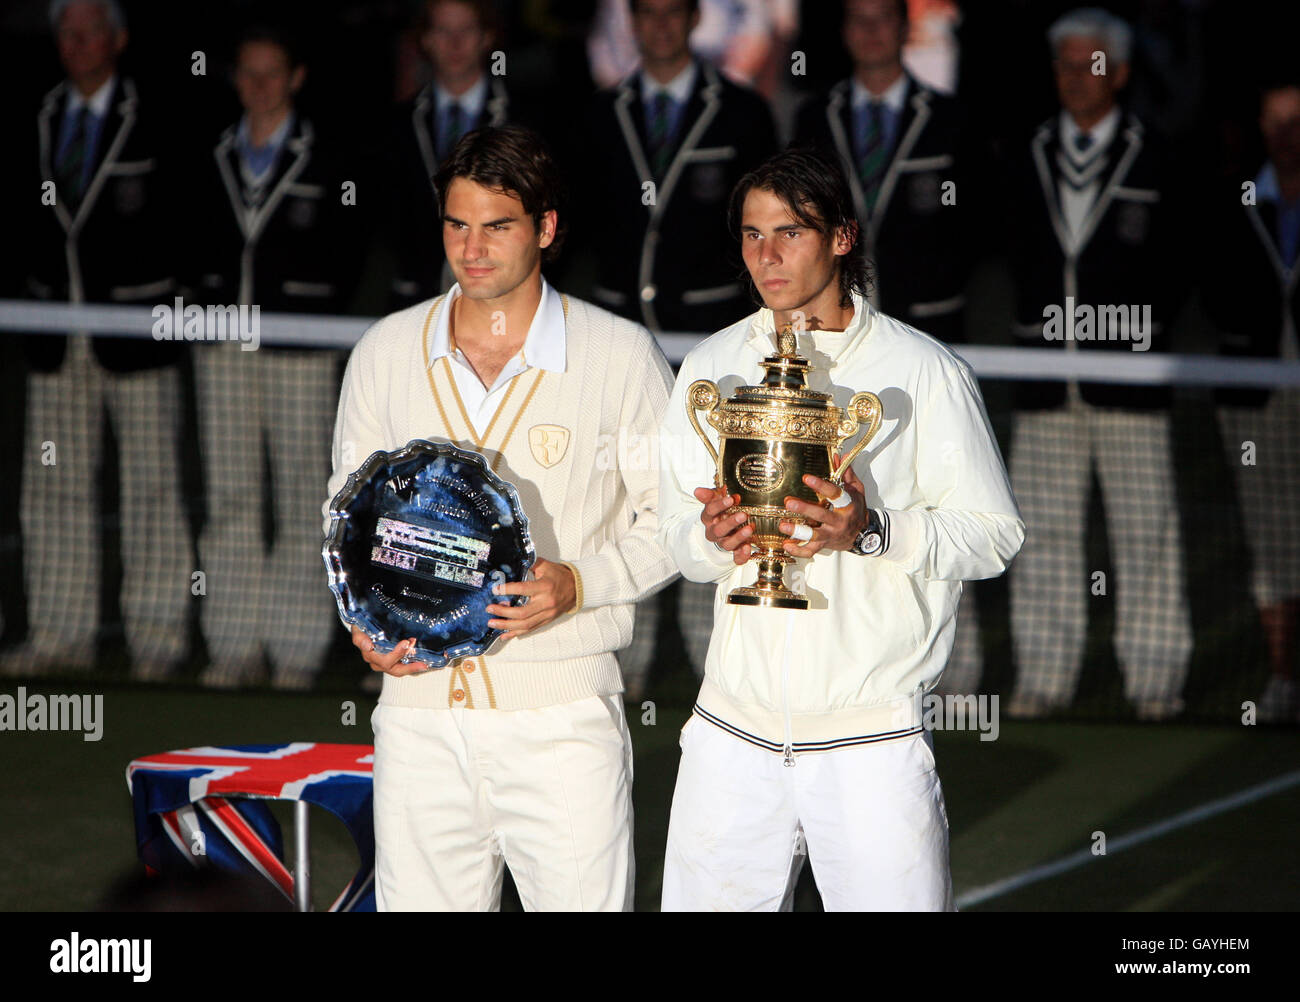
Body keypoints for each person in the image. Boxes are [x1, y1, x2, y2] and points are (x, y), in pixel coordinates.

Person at [656, 146, 1024, 911]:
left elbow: (994, 536)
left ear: (842, 239)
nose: (767, 255)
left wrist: (872, 530)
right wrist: (711, 536)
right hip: (731, 735)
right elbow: (676, 541)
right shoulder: (713, 365)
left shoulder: (923, 371)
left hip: (871, 744)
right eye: (753, 235)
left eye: (790, 232)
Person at [324, 125, 677, 910]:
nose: (472, 247)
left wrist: (583, 583)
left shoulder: (619, 354)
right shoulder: (385, 351)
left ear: (546, 228)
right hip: (418, 717)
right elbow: (347, 514)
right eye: (458, 224)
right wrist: (364, 617)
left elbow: (678, 519)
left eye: (498, 225)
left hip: (561, 719)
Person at [1003, 8, 1193, 721]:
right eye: (1063, 64)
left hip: (1130, 382)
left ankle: (1155, 681)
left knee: (1147, 533)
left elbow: (1179, 265)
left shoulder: (1159, 155)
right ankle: (1045, 677)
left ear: (1121, 72)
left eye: (1090, 64)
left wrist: (1133, 335)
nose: (1075, 79)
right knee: (1044, 530)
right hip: (1045, 380)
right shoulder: (1026, 152)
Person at [4, 0, 189, 680]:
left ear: (119, 39)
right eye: (66, 31)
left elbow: (183, 215)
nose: (77, 42)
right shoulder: (39, 114)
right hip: (56, 338)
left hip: (137, 336)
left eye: (90, 30)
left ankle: (157, 639)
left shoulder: (159, 115)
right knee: (52, 485)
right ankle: (60, 634)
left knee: (150, 487)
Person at [188, 25, 361, 690]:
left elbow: (347, 248)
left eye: (272, 73)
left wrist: (305, 311)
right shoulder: (216, 151)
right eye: (248, 73)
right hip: (224, 347)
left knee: (298, 496)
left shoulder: (328, 156)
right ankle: (233, 644)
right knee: (230, 495)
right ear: (235, 79)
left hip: (299, 348)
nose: (259, 86)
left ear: (296, 78)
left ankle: (293, 650)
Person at [580, 0, 778, 335]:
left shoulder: (743, 112)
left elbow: (766, 221)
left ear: (695, 17)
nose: (660, 25)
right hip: (617, 322)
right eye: (648, 12)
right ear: (631, 20)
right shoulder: (599, 115)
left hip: (713, 324)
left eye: (672, 11)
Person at [793, 0, 973, 344]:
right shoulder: (814, 118)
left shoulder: (950, 120)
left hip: (928, 321)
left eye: (883, 19)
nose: (871, 31)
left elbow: (974, 222)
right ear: (844, 30)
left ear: (906, 28)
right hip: (837, 323)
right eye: (860, 20)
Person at [1206, 79, 1300, 723]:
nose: (1286, 135)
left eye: (1297, 121)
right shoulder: (1235, 201)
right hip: (1256, 396)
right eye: (1274, 122)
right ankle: (1284, 677)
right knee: (1272, 538)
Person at [388, 0, 526, 308]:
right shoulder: (398, 125)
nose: (454, 43)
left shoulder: (523, 121)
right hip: (416, 304)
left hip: (502, 304)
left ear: (487, 37)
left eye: (466, 30)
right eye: (442, 30)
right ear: (425, 39)